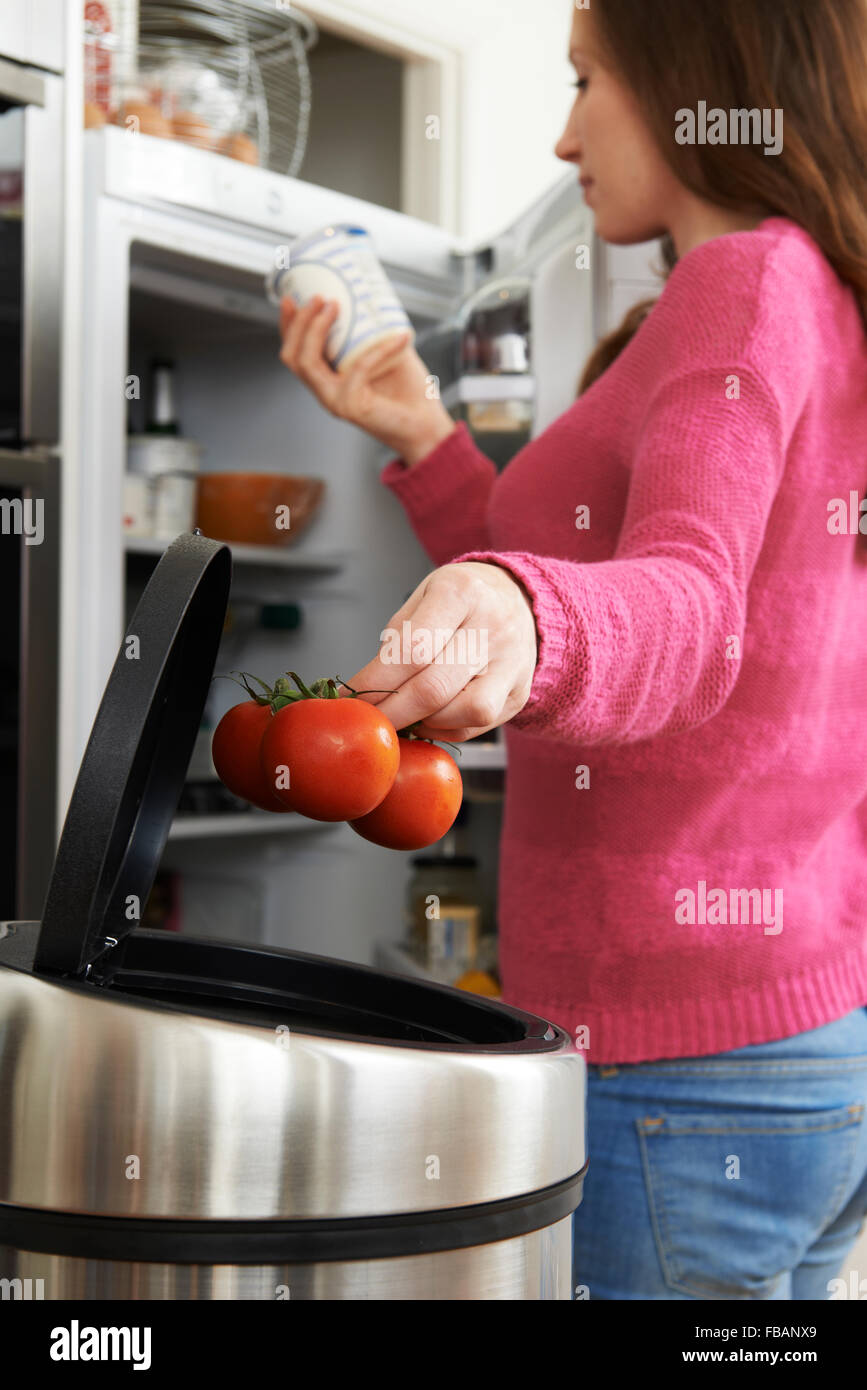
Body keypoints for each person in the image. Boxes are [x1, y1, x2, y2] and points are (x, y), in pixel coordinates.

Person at [277, 0, 867, 1301]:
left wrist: (530, 617)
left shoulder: (743, 283)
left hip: (676, 1079)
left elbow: (686, 609)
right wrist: (429, 438)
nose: (561, 136)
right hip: (803, 1049)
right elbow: (627, 575)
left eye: (587, 79)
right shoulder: (810, 298)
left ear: (697, 73)